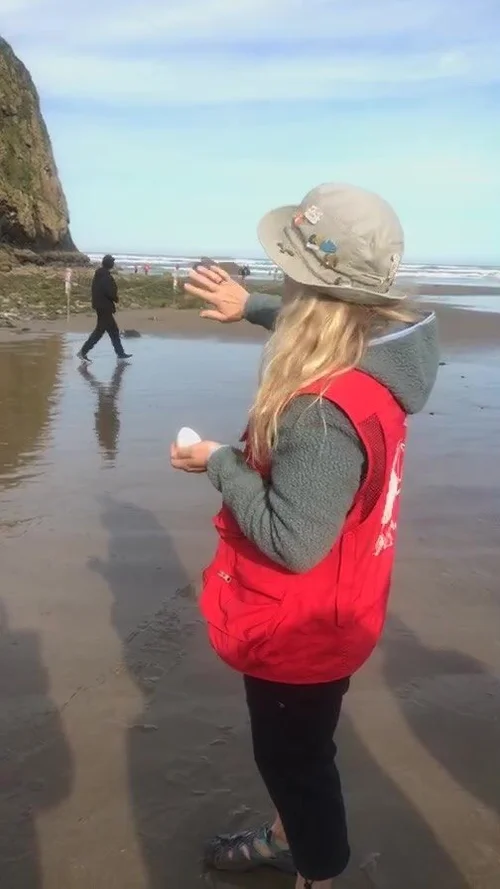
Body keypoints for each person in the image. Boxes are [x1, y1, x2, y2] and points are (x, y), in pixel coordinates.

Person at [170, 183, 439, 889]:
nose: (279, 279)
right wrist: (252, 307)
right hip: (344, 606)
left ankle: (316, 869)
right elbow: (326, 328)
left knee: (295, 764)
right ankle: (289, 836)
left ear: (312, 288)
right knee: (304, 751)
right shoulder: (382, 358)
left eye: (288, 270)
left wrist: (219, 461)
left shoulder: (320, 415)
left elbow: (293, 541)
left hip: (300, 633)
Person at [77, 255, 131, 362]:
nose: (113, 263)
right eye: (112, 262)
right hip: (104, 307)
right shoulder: (105, 276)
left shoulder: (99, 274)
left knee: (113, 330)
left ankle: (120, 353)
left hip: (100, 306)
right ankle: (83, 352)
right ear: (109, 264)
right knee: (99, 331)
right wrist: (116, 298)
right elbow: (109, 291)